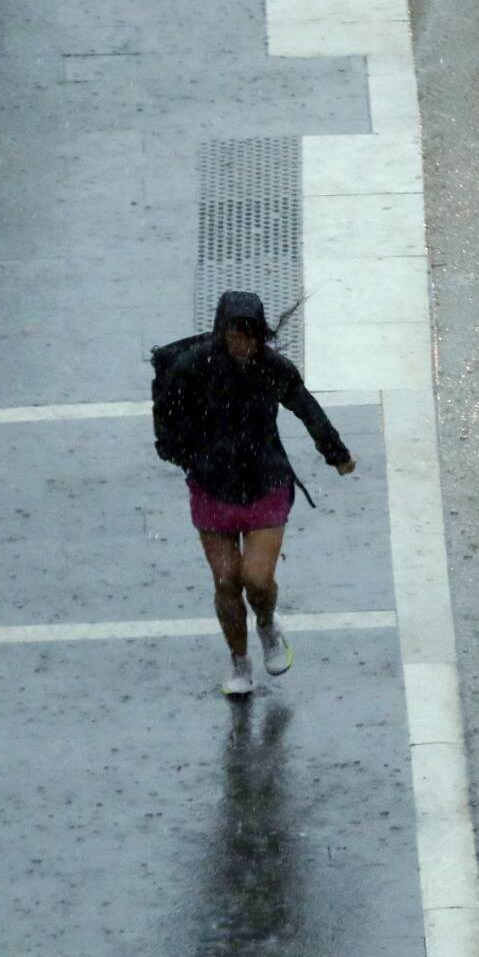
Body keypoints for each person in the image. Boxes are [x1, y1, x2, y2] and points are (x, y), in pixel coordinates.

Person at [152, 292, 357, 697]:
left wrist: (336, 453)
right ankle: (239, 663)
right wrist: (183, 456)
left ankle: (266, 624)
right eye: (236, 334)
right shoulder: (193, 367)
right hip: (213, 487)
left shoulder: (273, 368)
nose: (244, 343)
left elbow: (306, 408)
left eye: (251, 335)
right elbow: (166, 414)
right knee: (227, 581)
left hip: (266, 484)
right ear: (222, 332)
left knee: (257, 579)